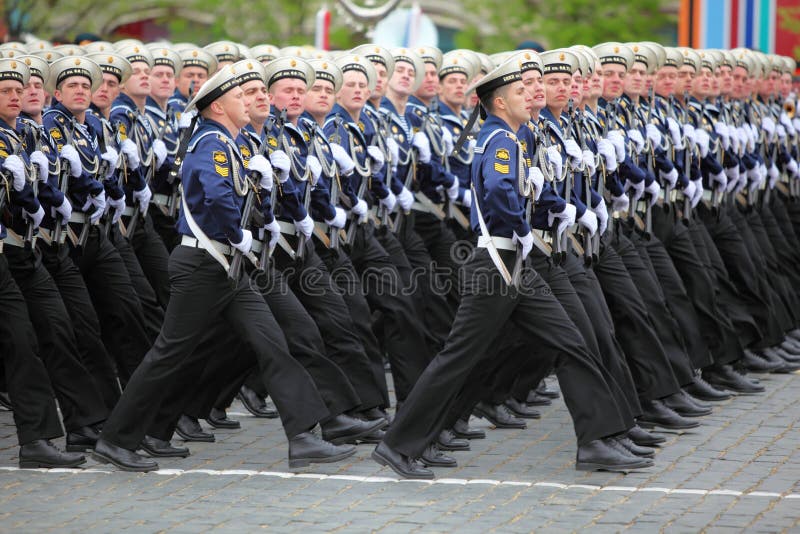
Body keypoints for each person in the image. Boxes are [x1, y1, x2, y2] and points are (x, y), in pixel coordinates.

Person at [372, 58, 653, 479]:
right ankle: (398, 444)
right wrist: (522, 227)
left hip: (514, 264)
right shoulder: (500, 141)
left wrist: (546, 207)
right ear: (500, 103)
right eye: (520, 92)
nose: (529, 95)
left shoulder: (509, 138)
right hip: (498, 265)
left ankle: (597, 440)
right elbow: (502, 192)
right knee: (458, 358)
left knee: (569, 344)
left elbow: (515, 191)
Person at [92, 62, 358, 472]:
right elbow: (217, 196)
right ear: (217, 107)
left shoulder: (230, 143)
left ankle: (303, 437)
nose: (249, 102)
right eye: (239, 96)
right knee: (169, 353)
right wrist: (238, 234)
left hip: (228, 267)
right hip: (203, 263)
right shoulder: (210, 143)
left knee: (273, 344)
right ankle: (117, 438)